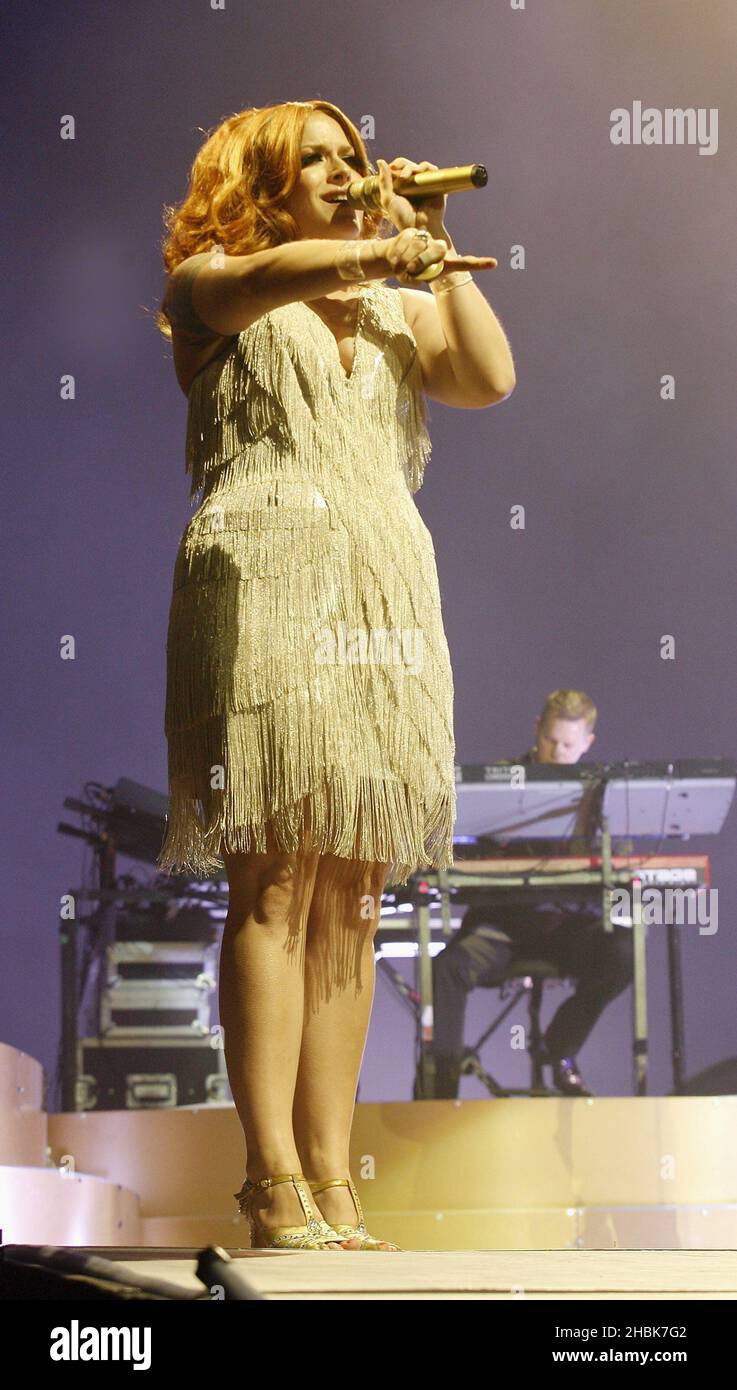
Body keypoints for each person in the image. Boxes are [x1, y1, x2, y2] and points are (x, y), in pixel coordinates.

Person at [155, 99, 515, 1250]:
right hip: (264, 568)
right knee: (272, 878)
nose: (340, 173)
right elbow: (262, 279)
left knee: (353, 901)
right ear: (259, 179)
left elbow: (487, 377)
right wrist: (376, 241)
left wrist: (435, 240)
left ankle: (330, 1172)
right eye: (311, 160)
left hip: (383, 587)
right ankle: (267, 1177)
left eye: (348, 158)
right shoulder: (211, 283)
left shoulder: (392, 302)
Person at [422, 690, 634, 1100]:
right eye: (550, 740)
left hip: (565, 929)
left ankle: (559, 1051)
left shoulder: (597, 796)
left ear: (587, 743)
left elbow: (613, 862)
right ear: (537, 728)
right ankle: (440, 1090)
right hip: (500, 931)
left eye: (568, 745)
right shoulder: (498, 782)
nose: (557, 752)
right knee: (447, 967)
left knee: (624, 952)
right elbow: (460, 846)